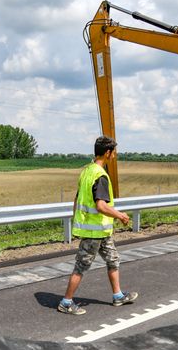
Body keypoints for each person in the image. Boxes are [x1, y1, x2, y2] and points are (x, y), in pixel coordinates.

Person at [58, 135, 138, 315]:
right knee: (81, 266)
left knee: (113, 260)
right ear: (108, 153)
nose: (115, 156)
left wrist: (77, 219)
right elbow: (101, 205)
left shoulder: (87, 170)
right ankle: (66, 302)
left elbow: (77, 199)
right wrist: (120, 216)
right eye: (114, 152)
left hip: (101, 230)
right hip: (94, 232)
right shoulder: (100, 175)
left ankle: (118, 296)